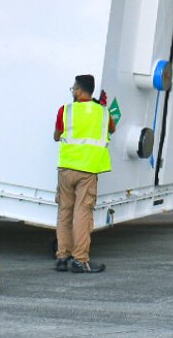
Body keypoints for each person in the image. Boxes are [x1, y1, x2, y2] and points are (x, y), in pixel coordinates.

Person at [53, 74, 115, 273]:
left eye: (73, 89)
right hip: (88, 170)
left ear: (79, 90)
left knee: (64, 212)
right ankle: (80, 259)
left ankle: (62, 257)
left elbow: (56, 135)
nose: (72, 92)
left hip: (66, 169)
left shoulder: (66, 110)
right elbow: (111, 129)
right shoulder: (104, 113)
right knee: (82, 213)